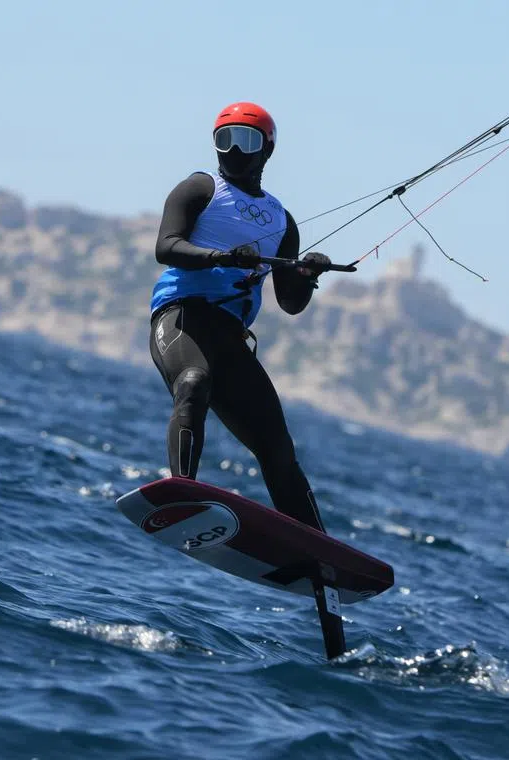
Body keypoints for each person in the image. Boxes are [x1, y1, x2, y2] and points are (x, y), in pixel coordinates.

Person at [148, 101, 332, 533]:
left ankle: (316, 548)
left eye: (245, 140)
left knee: (278, 447)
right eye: (224, 138)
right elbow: (166, 246)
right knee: (193, 382)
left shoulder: (282, 221)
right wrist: (223, 257)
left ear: (267, 149)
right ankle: (182, 492)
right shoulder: (199, 188)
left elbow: (290, 302)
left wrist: (307, 276)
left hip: (231, 337)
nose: (233, 150)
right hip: (181, 317)